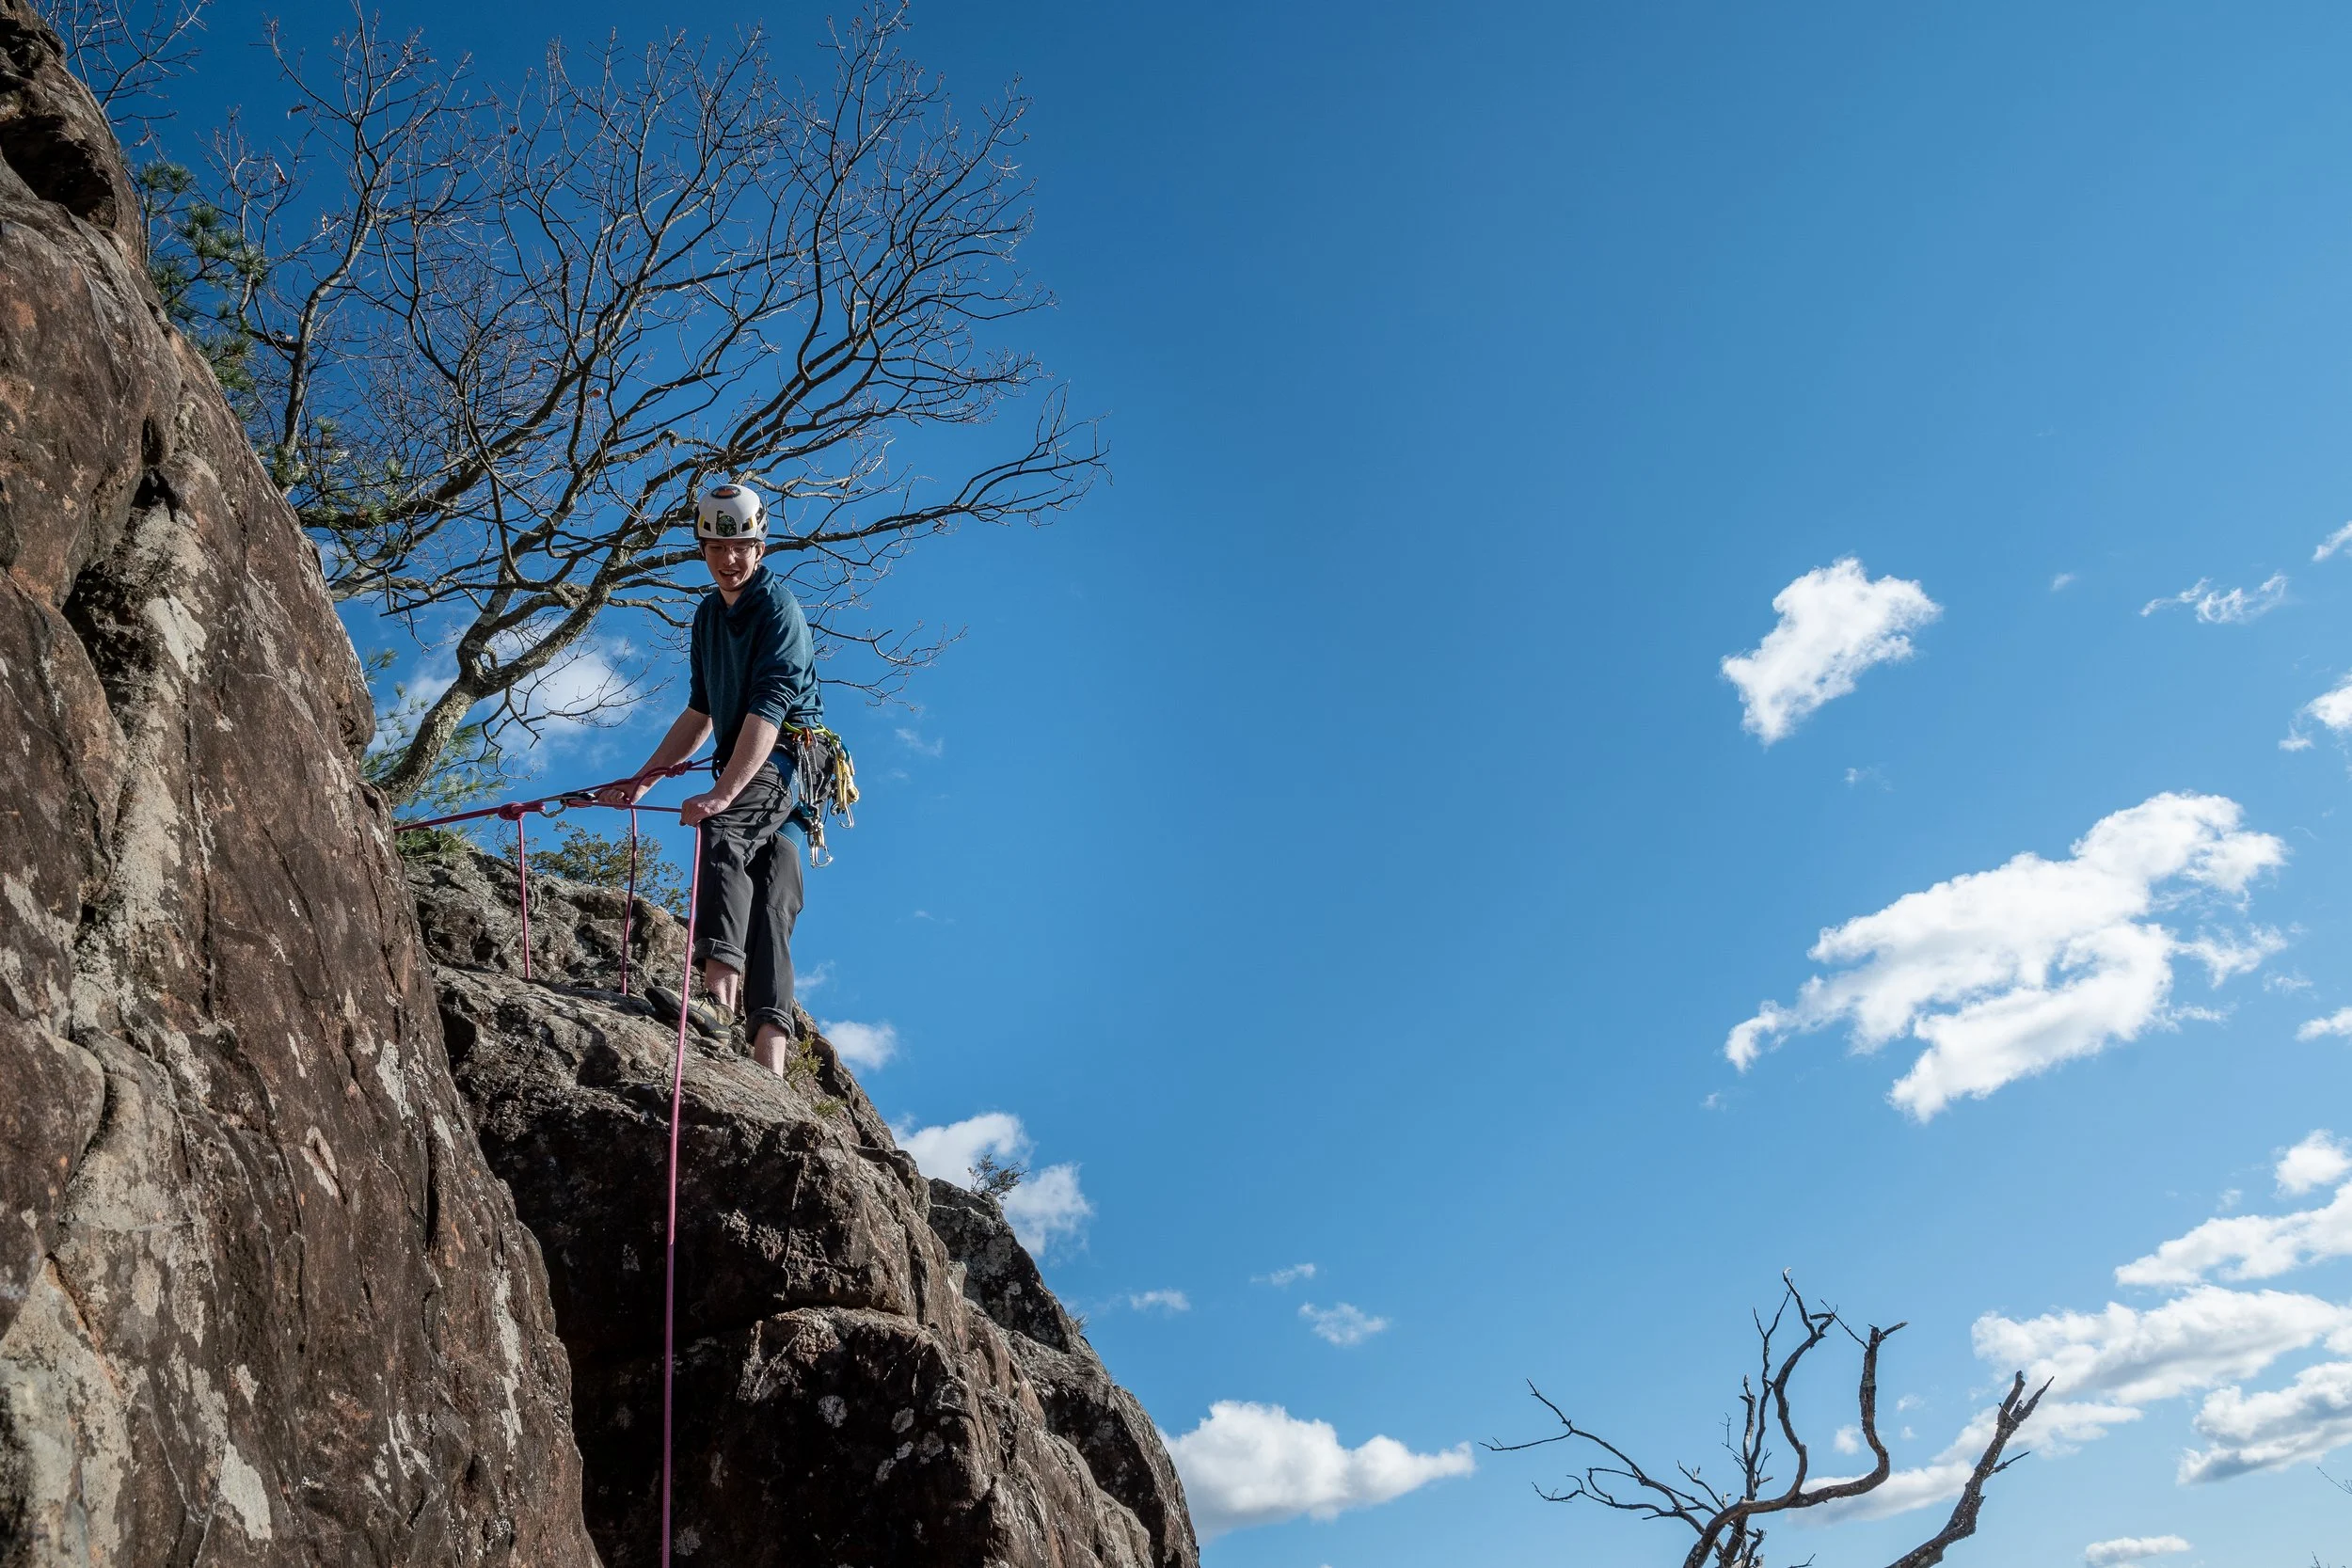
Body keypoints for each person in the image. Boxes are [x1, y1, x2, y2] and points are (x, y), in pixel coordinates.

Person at [600, 481, 822, 1074]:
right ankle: (769, 1059)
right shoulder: (706, 616)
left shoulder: (778, 609)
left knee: (729, 839)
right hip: (752, 765)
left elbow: (770, 707)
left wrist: (723, 792)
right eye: (717, 548)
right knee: (771, 895)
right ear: (702, 548)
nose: (729, 560)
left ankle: (719, 1004)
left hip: (783, 764)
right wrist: (645, 780)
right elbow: (700, 712)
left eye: (742, 547)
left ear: (761, 544)